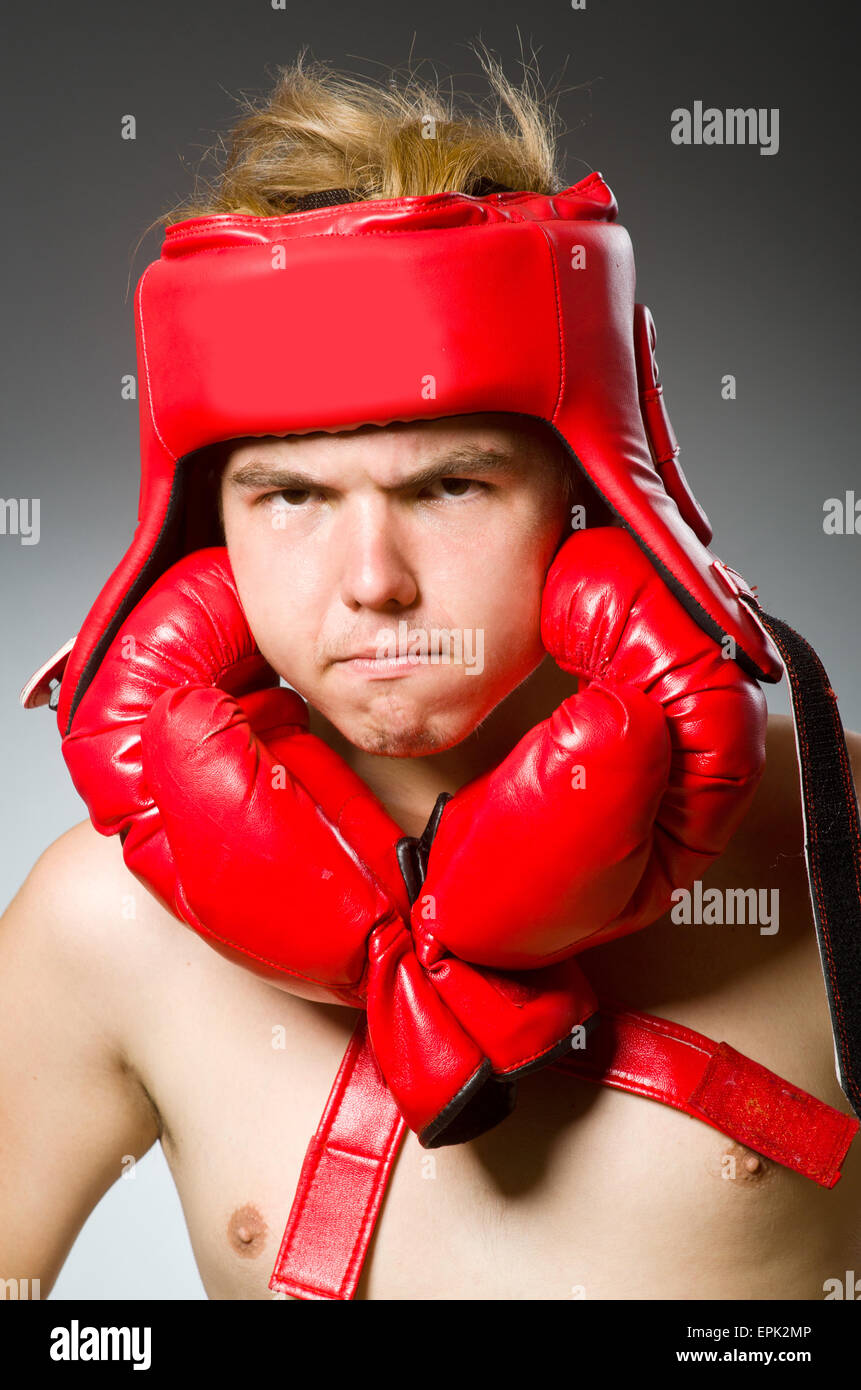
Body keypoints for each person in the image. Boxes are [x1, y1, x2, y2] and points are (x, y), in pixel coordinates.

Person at [2, 50, 859, 1302]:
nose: (373, 581)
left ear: (590, 497)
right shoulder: (100, 921)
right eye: (291, 496)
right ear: (203, 541)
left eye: (451, 485)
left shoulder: (837, 837)